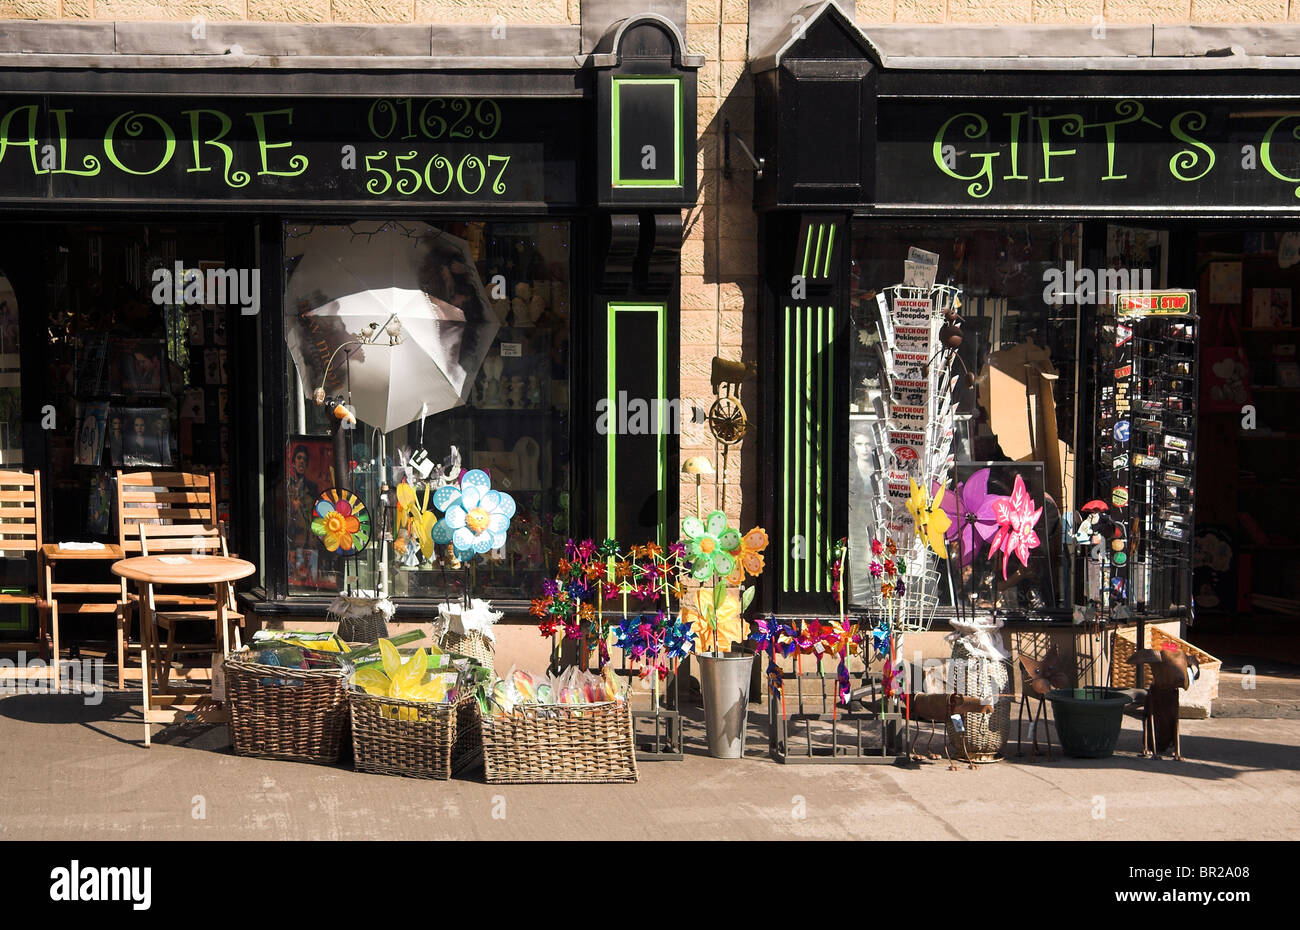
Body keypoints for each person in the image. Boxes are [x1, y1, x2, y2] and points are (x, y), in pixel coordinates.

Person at [287, 443, 319, 550]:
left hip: (309, 541)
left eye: (304, 459)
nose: (301, 462)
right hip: (291, 540)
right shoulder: (287, 486)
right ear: (293, 463)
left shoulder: (313, 488)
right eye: (299, 458)